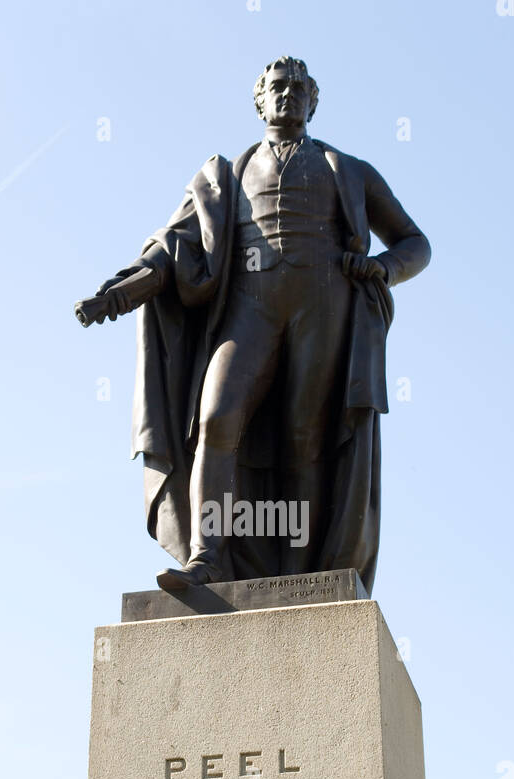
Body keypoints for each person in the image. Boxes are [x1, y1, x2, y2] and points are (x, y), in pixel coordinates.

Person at [74, 55, 430, 593]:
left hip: (323, 305)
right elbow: (175, 244)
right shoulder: (225, 175)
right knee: (216, 417)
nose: (288, 95)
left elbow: (415, 243)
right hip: (249, 308)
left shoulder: (349, 170)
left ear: (314, 100)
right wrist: (126, 290)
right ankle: (207, 557)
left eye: (299, 88)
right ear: (259, 99)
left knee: (305, 438)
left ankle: (303, 575)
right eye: (278, 87)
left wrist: (382, 267)